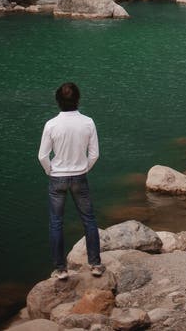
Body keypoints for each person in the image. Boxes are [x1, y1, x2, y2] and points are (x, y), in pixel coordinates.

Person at [38, 82, 104, 279]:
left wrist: (51, 172)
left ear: (58, 101)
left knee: (56, 223)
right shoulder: (88, 122)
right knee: (89, 220)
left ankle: (60, 269)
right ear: (78, 100)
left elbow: (42, 156)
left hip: (57, 178)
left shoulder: (51, 124)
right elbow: (94, 155)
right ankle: (95, 264)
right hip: (79, 177)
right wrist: (83, 168)